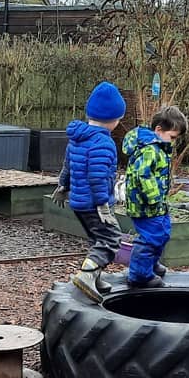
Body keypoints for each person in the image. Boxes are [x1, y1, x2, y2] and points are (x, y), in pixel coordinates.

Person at [52, 81, 127, 301]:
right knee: (111, 239)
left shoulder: (77, 138)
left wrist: (63, 186)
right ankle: (87, 275)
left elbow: (68, 166)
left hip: (79, 202)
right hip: (95, 203)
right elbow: (98, 176)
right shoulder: (103, 143)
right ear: (112, 120)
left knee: (97, 239)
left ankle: (95, 277)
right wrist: (102, 204)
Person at [122, 106, 189, 288]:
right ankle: (139, 275)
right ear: (159, 129)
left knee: (163, 232)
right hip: (145, 204)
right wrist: (153, 198)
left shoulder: (158, 148)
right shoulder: (150, 149)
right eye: (172, 137)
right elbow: (141, 174)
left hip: (157, 204)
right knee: (150, 237)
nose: (173, 142)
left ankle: (150, 263)